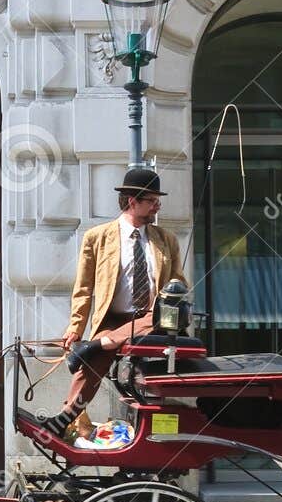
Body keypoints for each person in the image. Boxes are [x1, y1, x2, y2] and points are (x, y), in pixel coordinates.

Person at [43, 165, 184, 439]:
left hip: (151, 319)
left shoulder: (166, 240)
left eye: (158, 201)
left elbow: (177, 282)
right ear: (133, 201)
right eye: (152, 201)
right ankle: (67, 416)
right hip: (114, 319)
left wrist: (176, 290)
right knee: (93, 363)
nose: (157, 207)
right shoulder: (97, 238)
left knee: (132, 329)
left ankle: (97, 344)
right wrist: (75, 328)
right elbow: (83, 288)